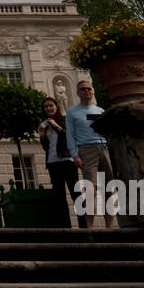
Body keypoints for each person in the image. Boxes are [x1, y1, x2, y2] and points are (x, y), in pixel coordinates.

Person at [65, 80, 118, 228]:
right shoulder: (72, 112)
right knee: (90, 190)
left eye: (89, 89)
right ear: (78, 92)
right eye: (83, 89)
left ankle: (110, 226)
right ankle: (90, 228)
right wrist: (75, 155)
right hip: (86, 150)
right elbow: (70, 135)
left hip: (104, 148)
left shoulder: (101, 111)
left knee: (109, 188)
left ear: (93, 91)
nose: (86, 91)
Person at [38, 97, 80, 228]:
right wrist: (42, 136)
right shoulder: (45, 124)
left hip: (67, 161)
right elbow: (46, 147)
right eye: (46, 107)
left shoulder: (65, 120)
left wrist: (57, 126)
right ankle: (65, 228)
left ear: (56, 106)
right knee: (60, 198)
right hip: (52, 162)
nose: (49, 108)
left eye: (51, 106)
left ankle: (84, 227)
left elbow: (70, 137)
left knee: (76, 195)